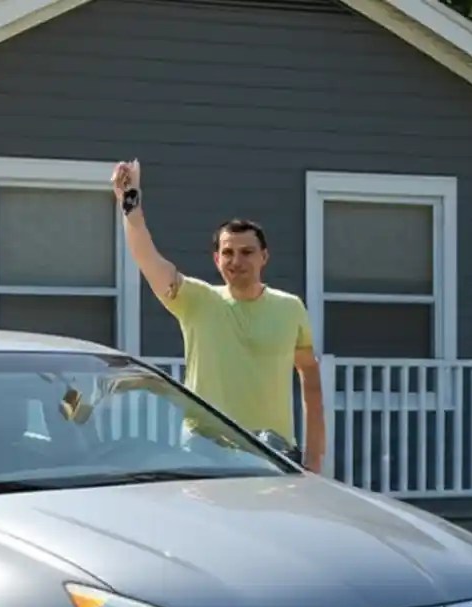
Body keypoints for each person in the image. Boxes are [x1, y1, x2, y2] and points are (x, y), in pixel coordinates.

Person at [111, 159, 326, 472]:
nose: (236, 260)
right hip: (204, 448)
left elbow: (310, 378)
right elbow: (146, 257)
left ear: (264, 257)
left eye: (247, 252)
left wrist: (315, 457)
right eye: (227, 252)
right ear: (216, 258)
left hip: (273, 450)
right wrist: (129, 199)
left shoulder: (290, 307)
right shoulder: (196, 299)